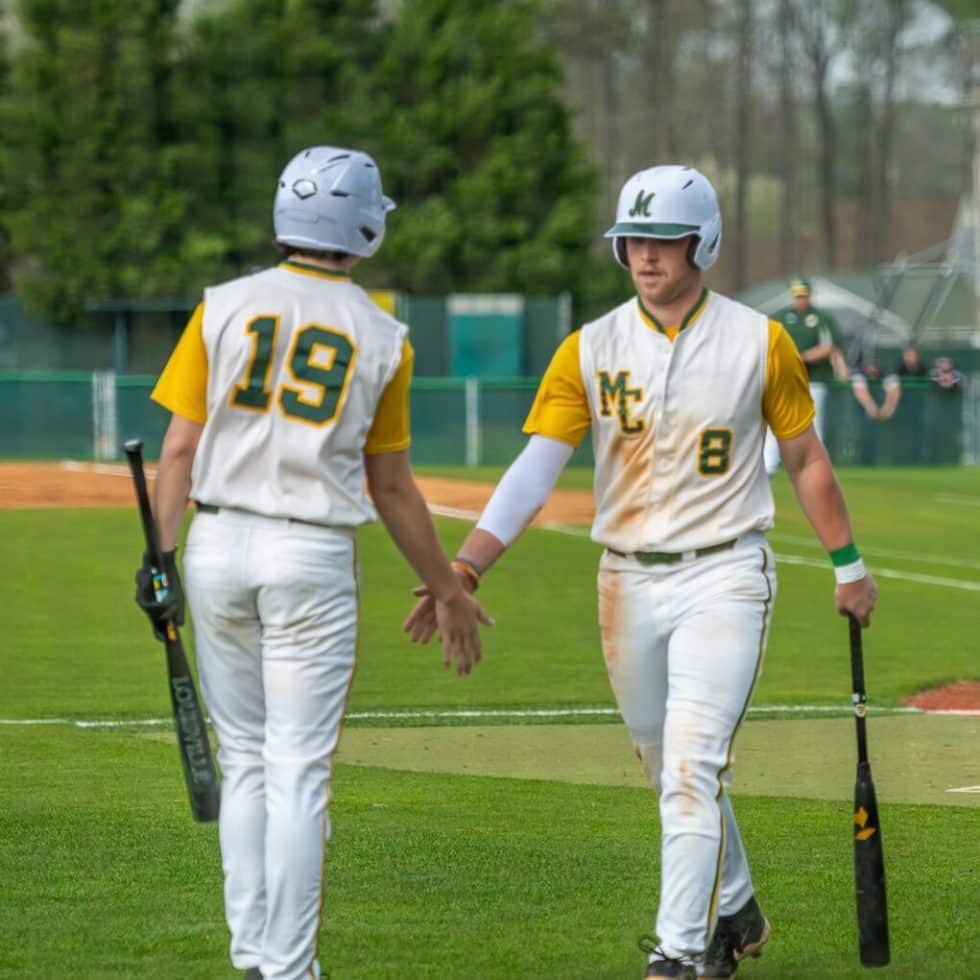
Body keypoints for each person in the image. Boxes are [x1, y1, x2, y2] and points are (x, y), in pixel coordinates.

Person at [404, 165, 878, 979]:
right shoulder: (588, 348)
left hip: (725, 575)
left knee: (694, 766)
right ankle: (735, 909)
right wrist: (469, 564)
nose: (646, 255)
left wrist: (850, 564)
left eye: (664, 240)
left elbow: (804, 459)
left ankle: (679, 955)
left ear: (704, 243)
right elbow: (535, 467)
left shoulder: (762, 341)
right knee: (666, 769)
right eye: (633, 239)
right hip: (624, 581)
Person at [134, 145, 491, 980]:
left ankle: (254, 952)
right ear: (362, 224)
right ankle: (289, 968)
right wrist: (448, 589)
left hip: (217, 545)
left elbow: (179, 450)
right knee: (297, 770)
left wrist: (158, 559)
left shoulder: (221, 305)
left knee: (247, 759)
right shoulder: (382, 334)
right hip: (310, 554)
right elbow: (393, 486)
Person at [763, 275, 846, 476]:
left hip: (814, 379)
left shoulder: (822, 318)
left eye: (803, 295)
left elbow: (830, 346)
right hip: (784, 380)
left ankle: (816, 467)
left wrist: (804, 357)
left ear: (810, 295)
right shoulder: (782, 316)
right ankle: (768, 466)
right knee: (774, 422)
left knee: (813, 424)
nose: (800, 299)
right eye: (797, 296)